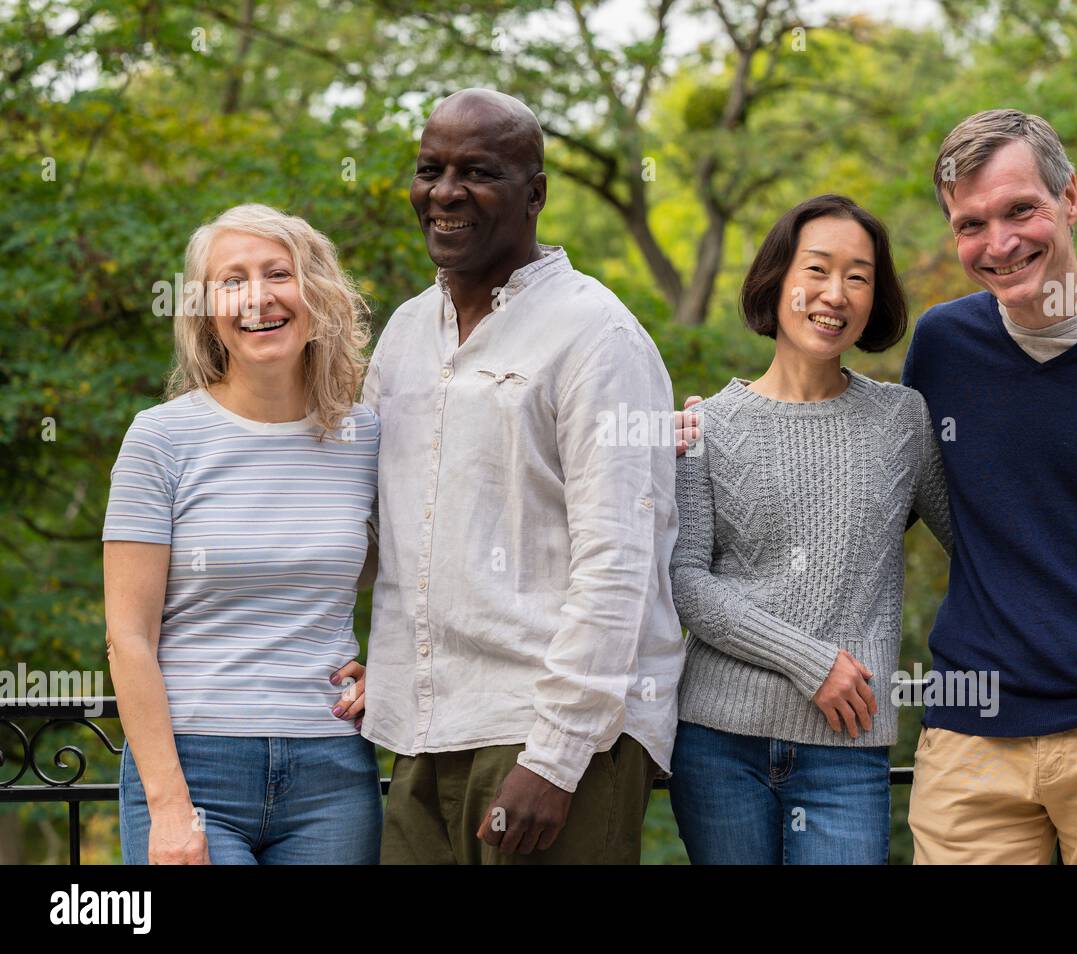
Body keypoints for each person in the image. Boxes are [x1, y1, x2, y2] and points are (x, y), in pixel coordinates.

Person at [677, 108, 1077, 864]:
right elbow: (860, 496)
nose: (999, 244)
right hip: (968, 749)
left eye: (1020, 210)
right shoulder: (944, 347)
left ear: (1069, 198)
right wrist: (706, 443)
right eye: (971, 224)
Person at [360, 88, 685, 865]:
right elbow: (376, 526)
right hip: (420, 727)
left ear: (535, 193)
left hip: (551, 736)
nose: (445, 192)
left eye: (477, 171)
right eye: (429, 169)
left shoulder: (596, 335)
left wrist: (557, 756)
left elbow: (619, 559)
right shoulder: (404, 333)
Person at [667, 194, 952, 864]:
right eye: (817, 270)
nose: (836, 293)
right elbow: (685, 581)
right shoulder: (707, 426)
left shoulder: (902, 421)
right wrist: (811, 661)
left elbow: (982, 545)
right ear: (778, 281)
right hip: (716, 741)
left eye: (858, 277)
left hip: (846, 750)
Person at [104, 203, 382, 864]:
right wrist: (170, 809)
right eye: (232, 280)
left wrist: (395, 668)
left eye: (278, 273)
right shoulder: (161, 439)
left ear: (315, 295)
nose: (258, 297)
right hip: (194, 767)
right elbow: (127, 636)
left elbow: (417, 574)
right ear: (205, 312)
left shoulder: (365, 436)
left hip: (332, 771)